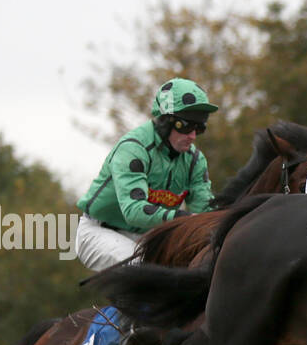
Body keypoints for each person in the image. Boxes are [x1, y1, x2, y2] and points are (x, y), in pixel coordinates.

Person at [74, 78, 219, 271]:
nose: (192, 136)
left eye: (199, 128)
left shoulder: (195, 161)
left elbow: (205, 212)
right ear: (165, 121)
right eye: (185, 126)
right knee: (144, 270)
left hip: (148, 238)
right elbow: (134, 211)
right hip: (99, 231)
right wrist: (184, 218)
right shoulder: (133, 148)